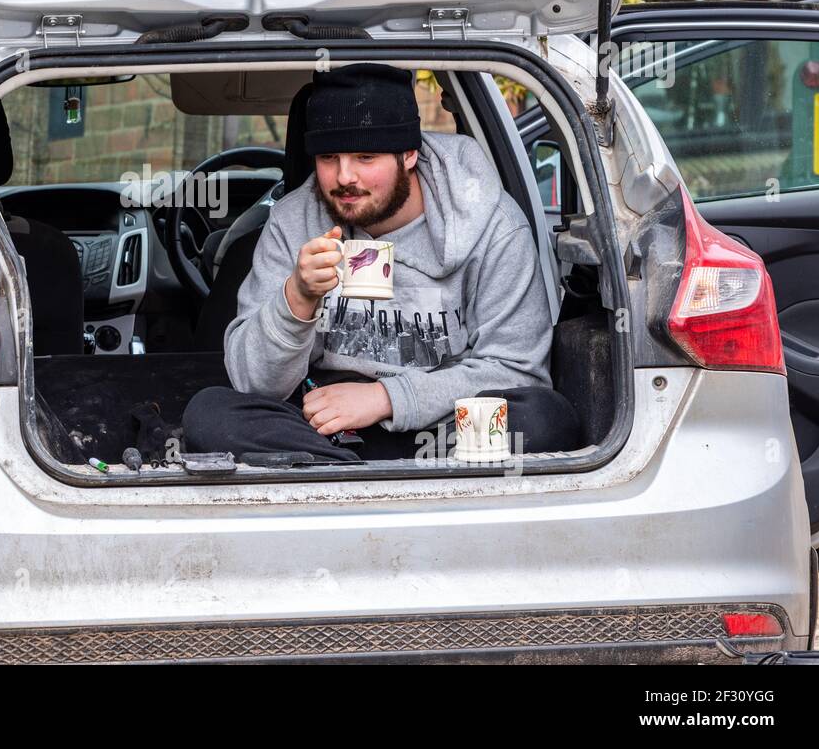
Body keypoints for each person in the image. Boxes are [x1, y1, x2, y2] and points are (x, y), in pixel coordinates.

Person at [182, 62, 581, 463]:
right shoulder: (293, 221)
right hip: (324, 428)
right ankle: (359, 479)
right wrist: (296, 299)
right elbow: (254, 383)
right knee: (209, 414)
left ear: (409, 153)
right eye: (328, 156)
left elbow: (518, 371)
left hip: (441, 429)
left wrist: (387, 398)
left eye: (366, 156)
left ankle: (337, 483)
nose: (344, 177)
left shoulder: (493, 225)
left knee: (546, 419)